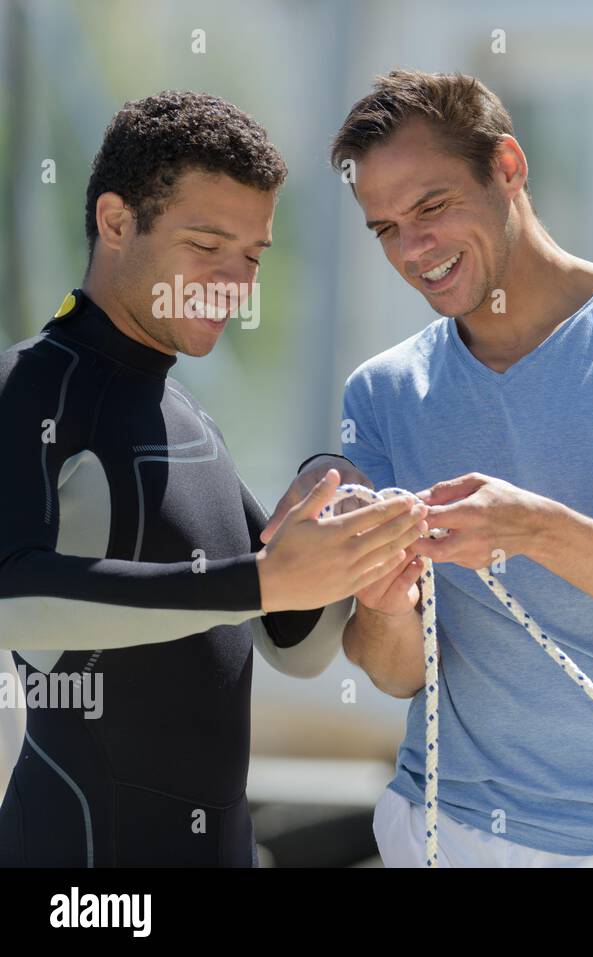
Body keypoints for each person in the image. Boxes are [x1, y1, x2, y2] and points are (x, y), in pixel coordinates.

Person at [309, 69, 593, 867]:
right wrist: (385, 607)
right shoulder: (384, 393)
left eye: (432, 206)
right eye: (385, 228)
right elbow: (393, 674)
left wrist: (533, 529)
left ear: (509, 167)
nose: (413, 250)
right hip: (441, 830)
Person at [0, 91, 428, 866]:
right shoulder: (31, 389)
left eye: (254, 255)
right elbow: (14, 599)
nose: (236, 282)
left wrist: (348, 541)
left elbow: (286, 641)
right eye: (207, 245)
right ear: (116, 221)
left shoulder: (185, 411)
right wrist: (260, 582)